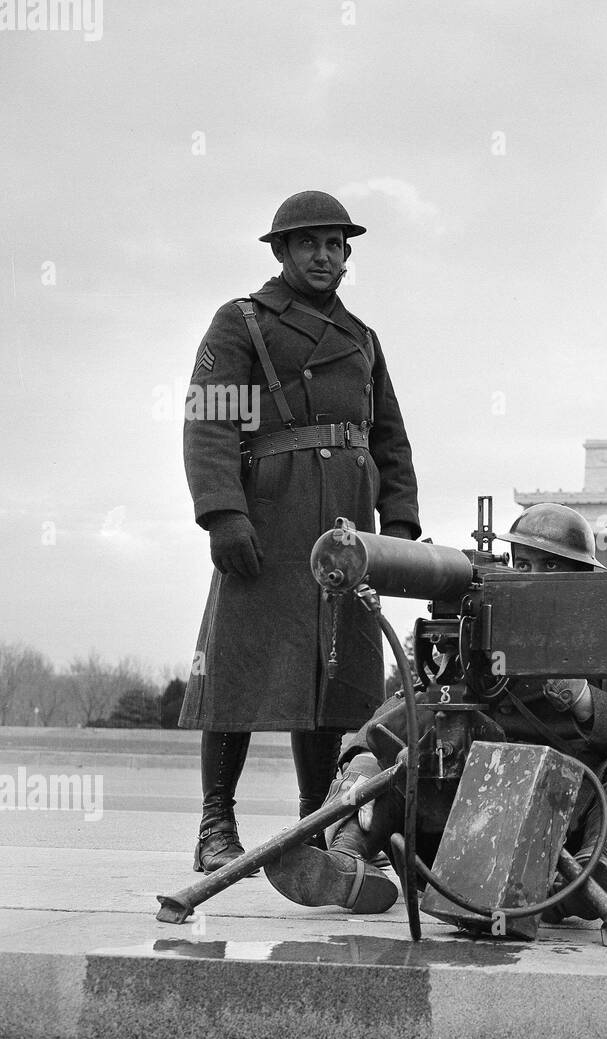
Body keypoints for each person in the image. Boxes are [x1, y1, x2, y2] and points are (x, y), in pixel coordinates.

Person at [265, 503, 607, 917]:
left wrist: (585, 701)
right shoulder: (480, 632)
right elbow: (414, 703)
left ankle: (589, 871)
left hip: (565, 813)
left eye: (551, 566)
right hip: (468, 814)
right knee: (384, 748)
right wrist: (361, 767)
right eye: (523, 564)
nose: (531, 578)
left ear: (584, 576)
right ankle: (347, 861)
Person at [180, 191, 420, 874]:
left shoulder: (364, 339)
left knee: (335, 678)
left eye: (336, 245)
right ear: (281, 252)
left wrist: (397, 529)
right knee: (240, 667)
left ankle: (316, 823)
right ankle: (215, 825)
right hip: (269, 518)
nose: (324, 255)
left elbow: (390, 438)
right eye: (309, 243)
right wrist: (223, 511)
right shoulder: (240, 322)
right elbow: (210, 421)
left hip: (348, 524)